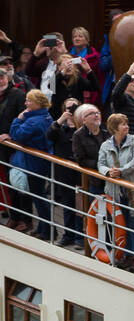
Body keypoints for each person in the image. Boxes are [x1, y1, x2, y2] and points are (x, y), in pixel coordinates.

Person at [96, 111, 134, 269]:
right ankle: (124, 255)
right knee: (121, 224)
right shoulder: (106, 145)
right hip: (115, 191)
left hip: (133, 190)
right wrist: (107, 172)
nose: (127, 126)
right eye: (123, 124)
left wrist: (121, 170)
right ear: (114, 128)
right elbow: (101, 164)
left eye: (126, 123)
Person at [3, 90, 53, 241]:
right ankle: (43, 228)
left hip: (33, 164)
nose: (25, 104)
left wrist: (18, 119)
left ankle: (49, 231)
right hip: (40, 163)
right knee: (39, 197)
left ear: (37, 103)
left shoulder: (34, 121)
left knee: (39, 198)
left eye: (28, 101)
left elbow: (18, 134)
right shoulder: (45, 117)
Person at [45, 96, 82, 246]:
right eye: (68, 108)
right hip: (64, 173)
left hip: (80, 173)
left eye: (74, 108)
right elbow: (49, 136)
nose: (71, 111)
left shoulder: (82, 127)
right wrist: (60, 120)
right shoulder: (59, 127)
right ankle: (68, 235)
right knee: (67, 205)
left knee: (80, 206)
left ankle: (80, 236)